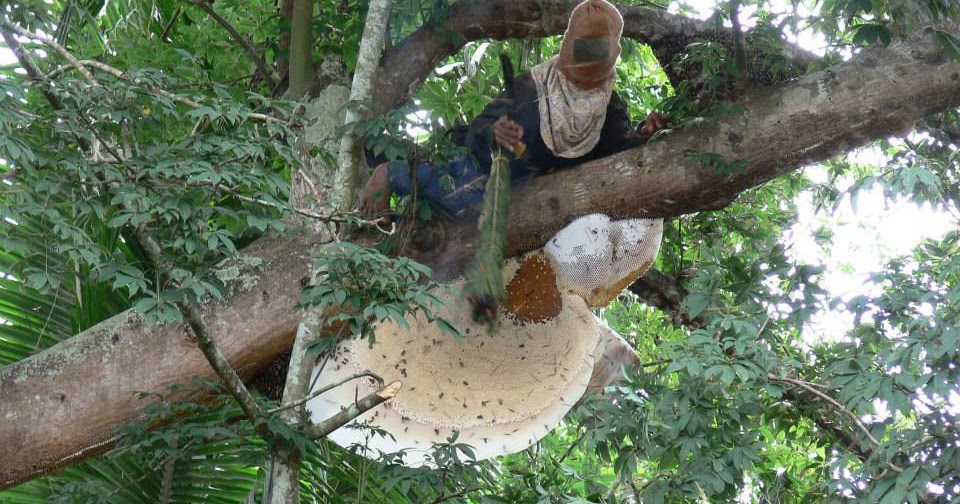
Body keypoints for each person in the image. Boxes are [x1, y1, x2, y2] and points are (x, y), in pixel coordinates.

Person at [360, 0, 669, 220]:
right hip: (484, 168)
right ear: (567, 44)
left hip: (531, 191)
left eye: (597, 50)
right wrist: (497, 133)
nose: (588, 59)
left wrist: (646, 134)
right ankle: (392, 172)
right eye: (582, 47)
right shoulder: (532, 85)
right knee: (453, 189)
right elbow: (482, 126)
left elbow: (617, 149)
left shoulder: (609, 106)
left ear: (614, 52)